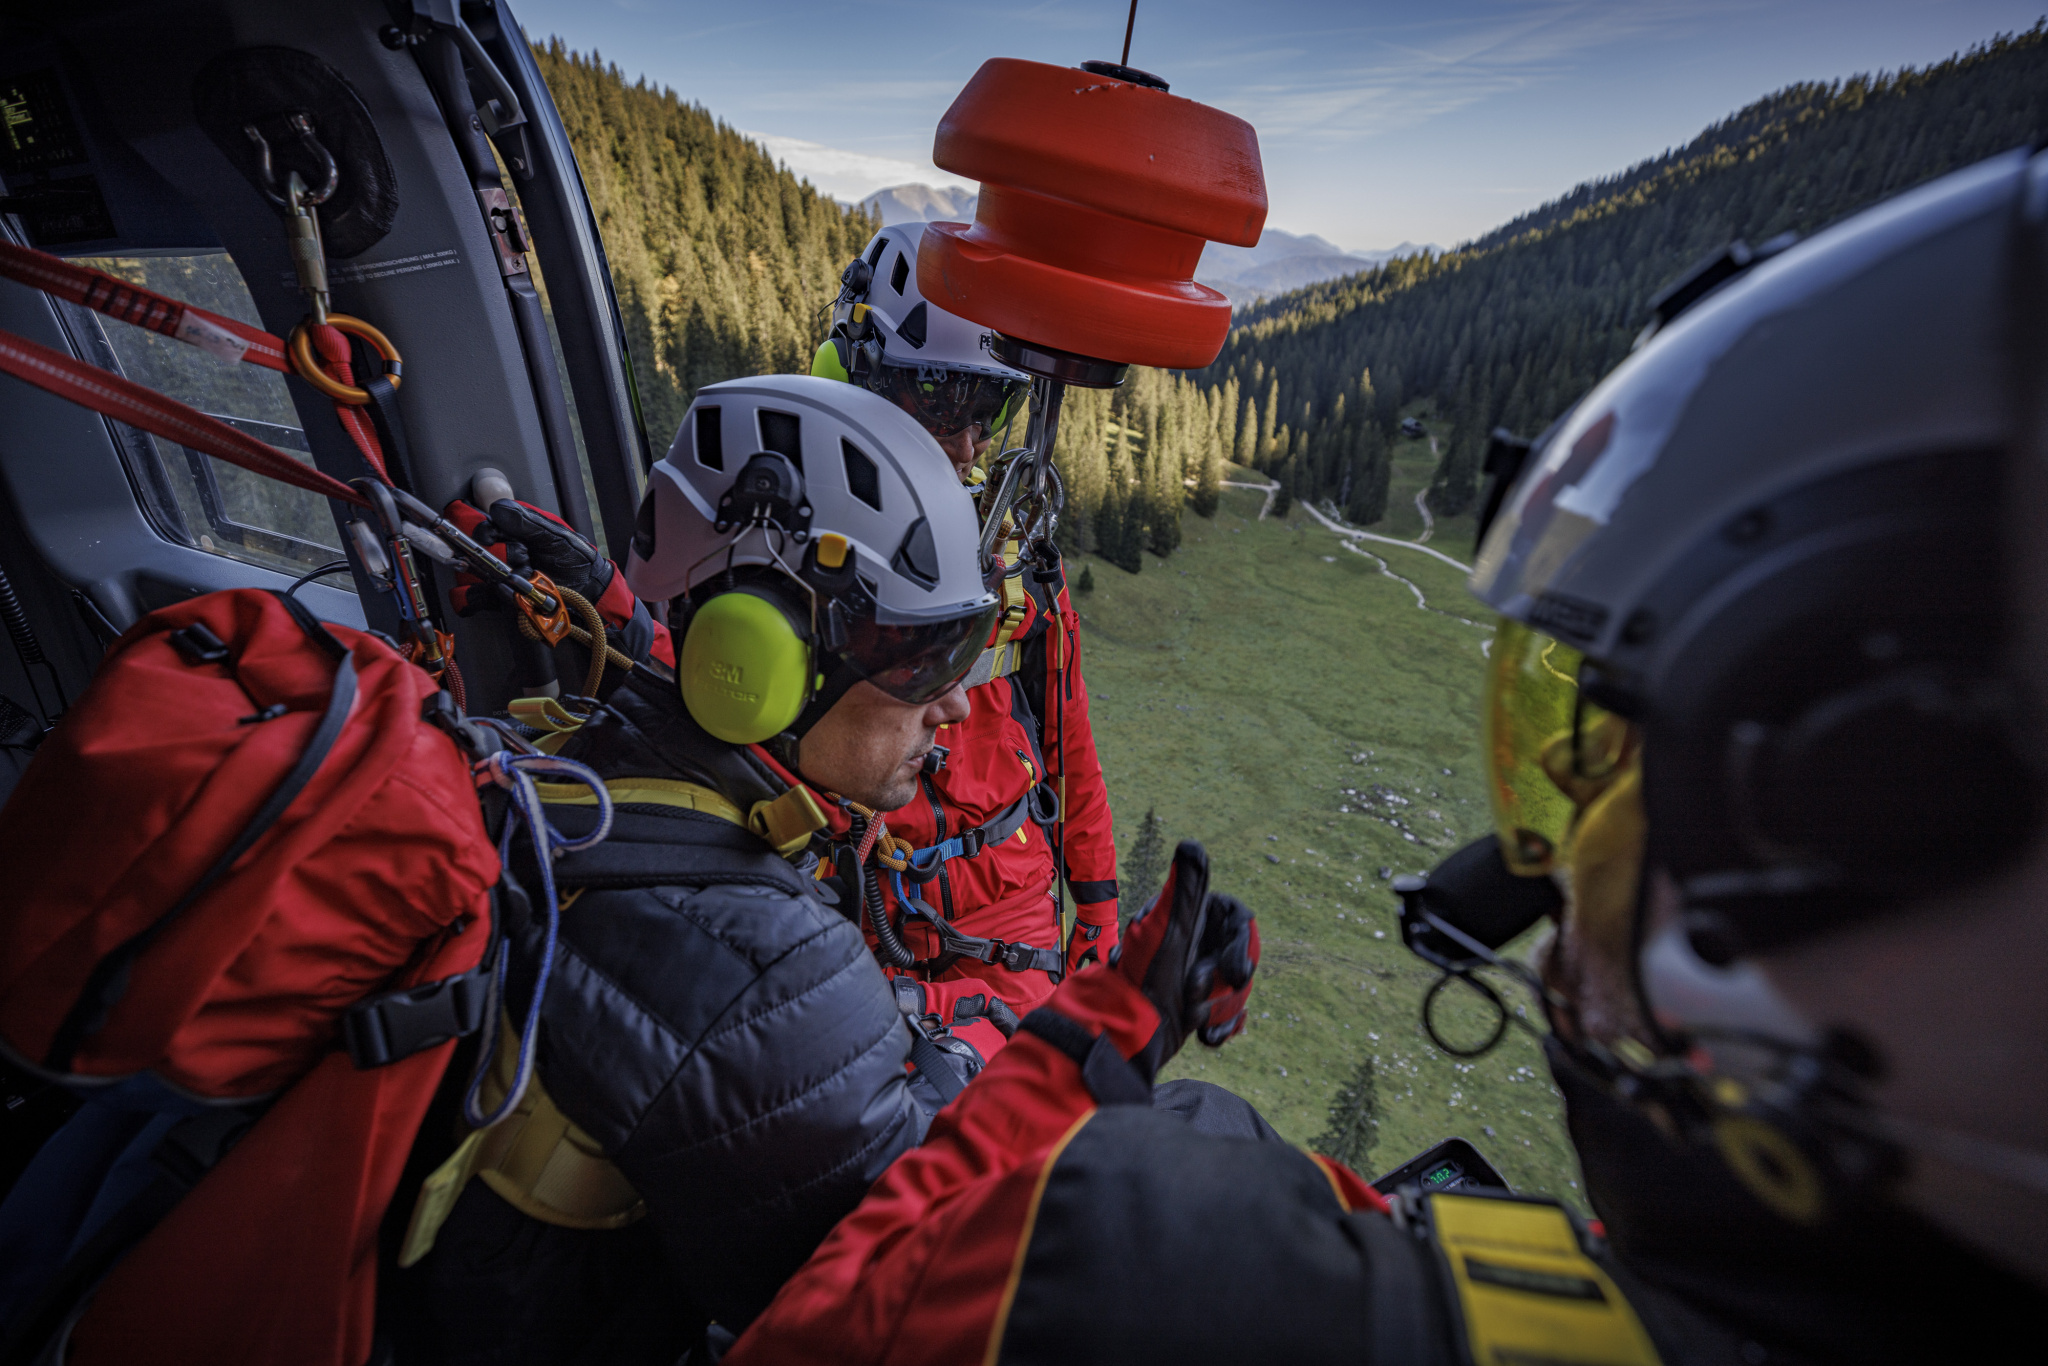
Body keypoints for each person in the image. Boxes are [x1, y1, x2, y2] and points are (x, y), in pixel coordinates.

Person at [726, 147, 2048, 1363]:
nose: (956, 437)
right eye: (933, 398)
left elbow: (1071, 774)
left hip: (1019, 984)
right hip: (924, 984)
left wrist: (1093, 970)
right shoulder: (810, 602)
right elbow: (794, 858)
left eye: (1608, 772)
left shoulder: (1135, 1260)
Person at [381, 375, 1001, 1364]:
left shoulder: (594, 744)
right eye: (922, 658)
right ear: (760, 656)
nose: (956, 706)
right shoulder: (759, 975)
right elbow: (926, 1290)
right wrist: (1075, 1052)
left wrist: (622, 626)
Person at [810, 223, 1122, 1066]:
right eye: (946, 403)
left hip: (1010, 899)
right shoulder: (785, 533)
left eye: (990, 408)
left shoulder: (1014, 557)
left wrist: (1095, 912)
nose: (972, 440)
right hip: (864, 896)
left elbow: (1067, 740)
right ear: (868, 376)